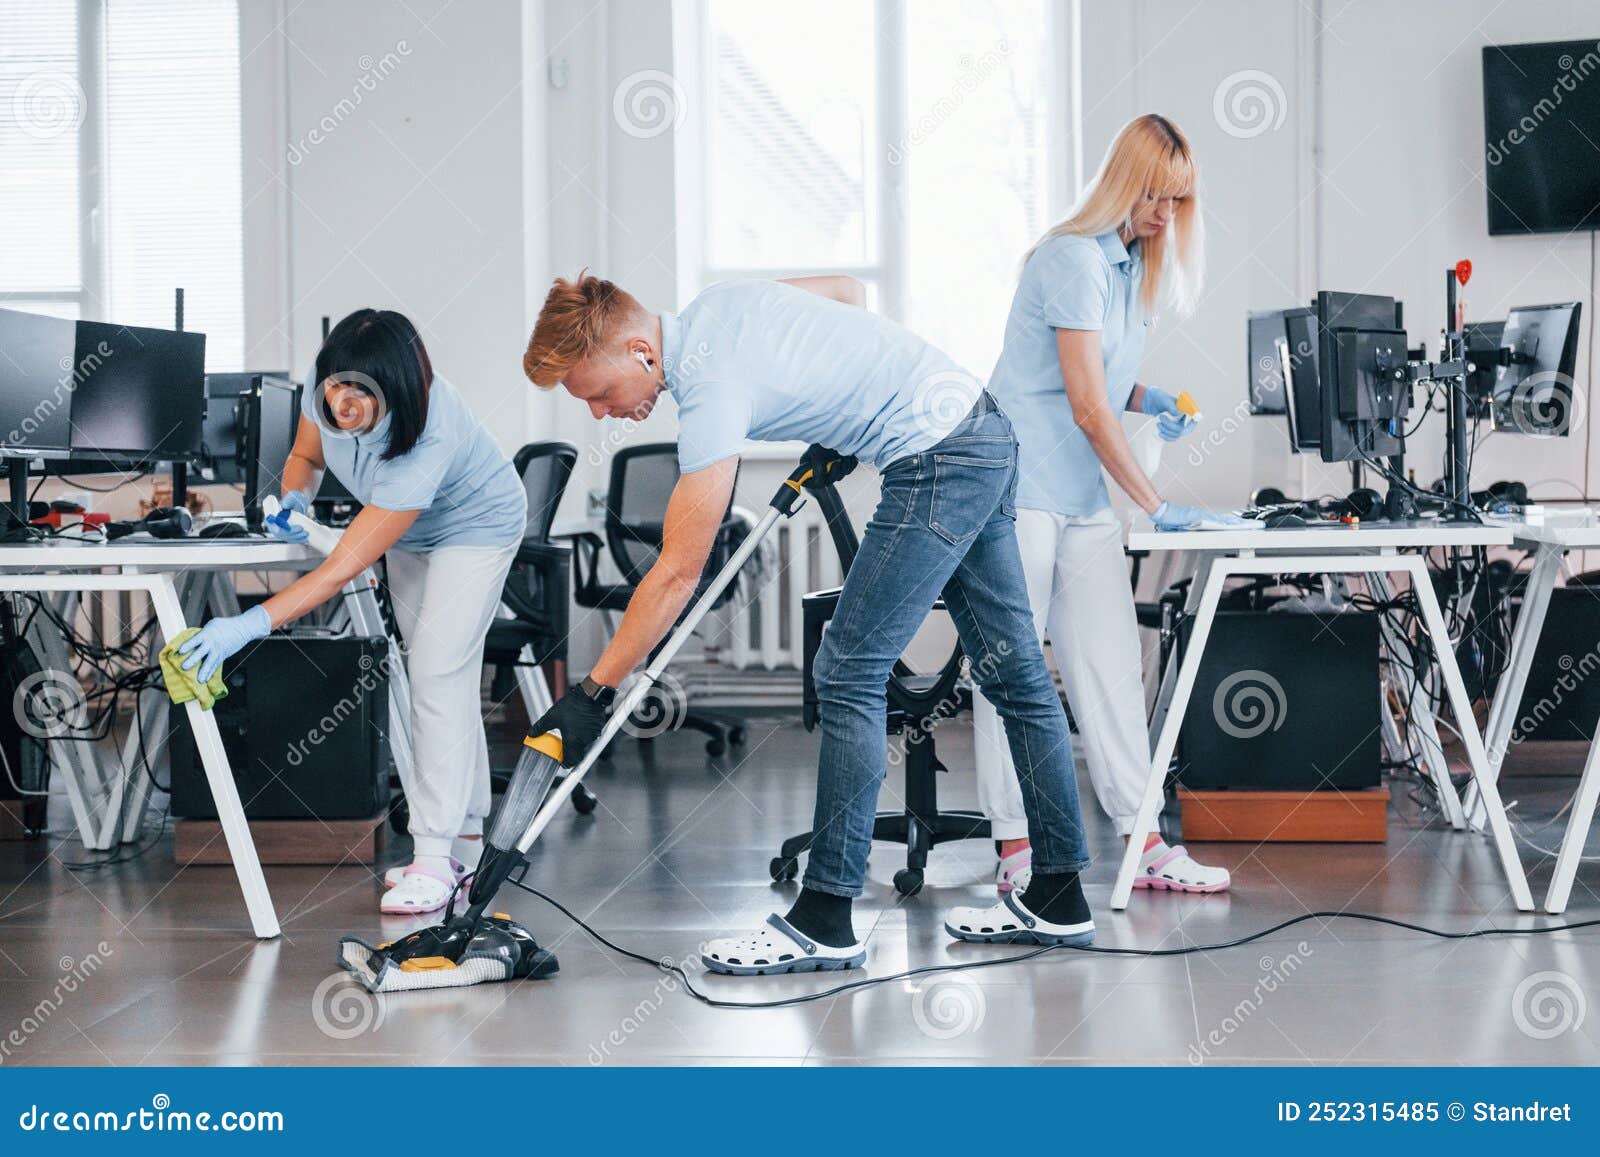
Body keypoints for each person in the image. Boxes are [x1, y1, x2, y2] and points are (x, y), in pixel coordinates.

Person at [523, 272, 1094, 975]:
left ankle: (825, 916)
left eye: (600, 394)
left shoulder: (708, 390)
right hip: (981, 430)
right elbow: (846, 294)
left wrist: (593, 693)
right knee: (1015, 674)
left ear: (641, 351)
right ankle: (1061, 895)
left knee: (849, 668)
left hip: (939, 457)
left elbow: (677, 570)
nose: (605, 413)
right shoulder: (717, 302)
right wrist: (841, 417)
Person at [176, 310, 528, 916]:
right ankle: (466, 849)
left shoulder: (430, 431)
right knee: (441, 678)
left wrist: (250, 624)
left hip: (477, 528)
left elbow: (343, 568)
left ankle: (434, 858)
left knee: (438, 674)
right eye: (338, 384)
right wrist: (295, 495)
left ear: (399, 391)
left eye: (364, 391)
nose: (344, 401)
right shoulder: (326, 390)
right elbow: (307, 457)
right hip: (416, 537)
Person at [974, 114, 1236, 898]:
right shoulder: (1072, 259)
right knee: (1012, 667)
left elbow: (1095, 376)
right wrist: (1157, 503)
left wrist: (1149, 395)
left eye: (1179, 201)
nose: (1165, 213)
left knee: (1113, 668)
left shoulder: (1131, 269)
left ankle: (1145, 839)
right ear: (1125, 181)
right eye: (1155, 195)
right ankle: (1016, 847)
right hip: (1016, 491)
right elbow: (1086, 406)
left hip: (1081, 494)